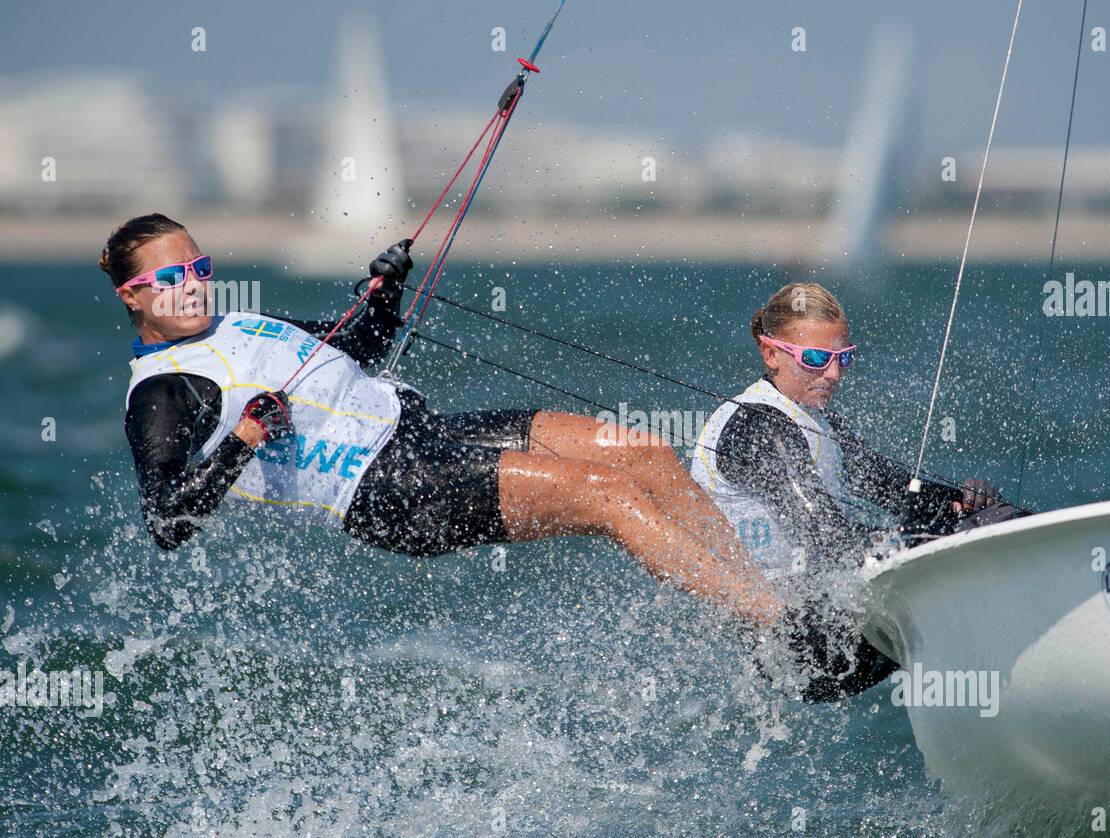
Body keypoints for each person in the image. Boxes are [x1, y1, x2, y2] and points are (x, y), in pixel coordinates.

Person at [106, 213, 788, 636]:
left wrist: (380, 293)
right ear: (131, 294)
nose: (192, 285)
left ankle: (760, 602)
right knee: (611, 498)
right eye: (172, 276)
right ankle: (779, 622)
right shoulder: (162, 390)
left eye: (200, 267)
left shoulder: (239, 323)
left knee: (639, 453)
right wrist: (245, 439)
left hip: (422, 435)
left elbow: (361, 342)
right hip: (388, 493)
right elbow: (168, 521)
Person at [691, 283, 1028, 697]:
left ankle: (1006, 669)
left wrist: (961, 503)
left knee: (989, 519)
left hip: (833, 617)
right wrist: (930, 542)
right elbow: (822, 537)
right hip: (792, 645)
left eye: (842, 358)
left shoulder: (818, 422)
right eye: (815, 359)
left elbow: (896, 488)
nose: (833, 374)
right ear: (771, 355)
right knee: (955, 542)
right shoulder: (758, 427)